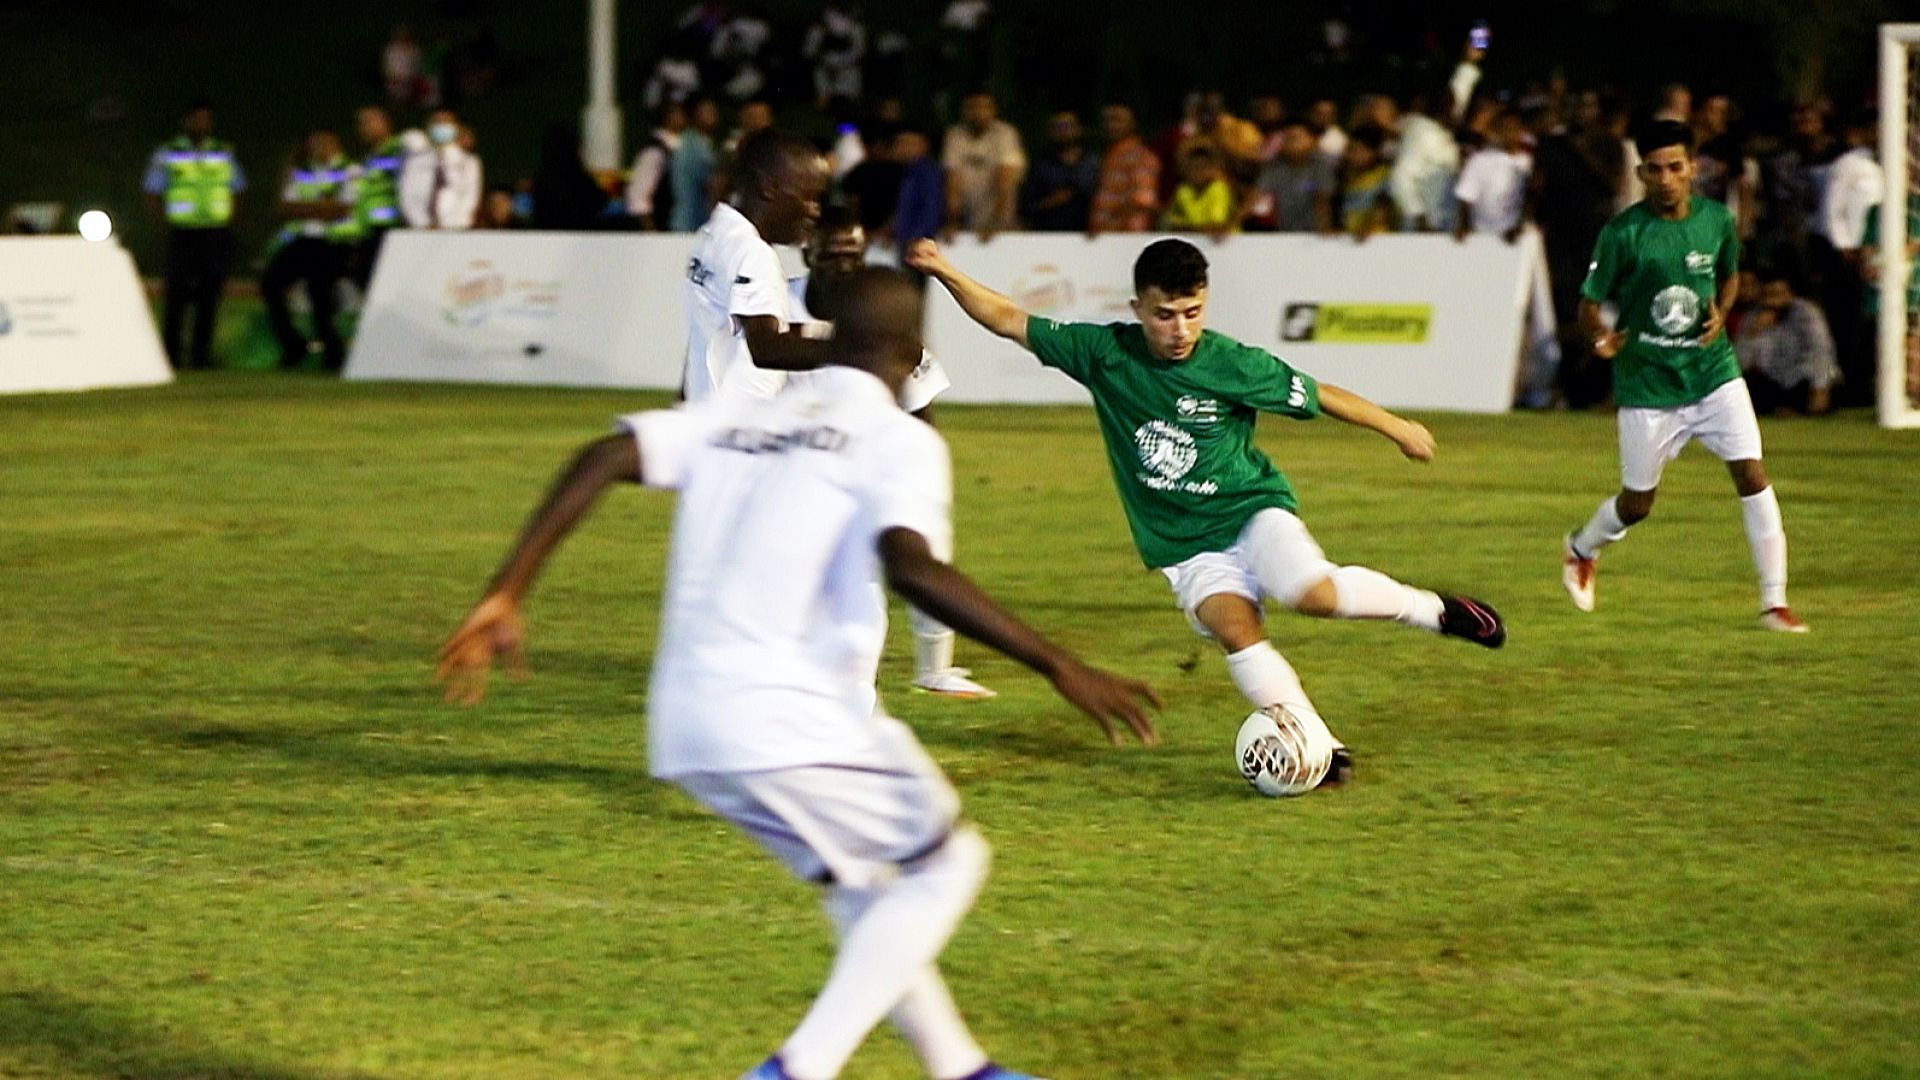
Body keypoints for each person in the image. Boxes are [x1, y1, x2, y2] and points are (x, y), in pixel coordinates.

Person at [437, 267, 1158, 1080]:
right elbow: (913, 569)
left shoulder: (741, 415)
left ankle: (959, 1066)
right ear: (913, 351)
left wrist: (507, 590)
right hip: (787, 716)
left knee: (866, 888)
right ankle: (799, 1068)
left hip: (686, 724)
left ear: (824, 337)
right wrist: (1061, 664)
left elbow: (605, 454)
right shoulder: (899, 439)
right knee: (949, 864)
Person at [908, 235, 1509, 786]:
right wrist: (943, 270)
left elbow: (1320, 394)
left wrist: (1397, 427)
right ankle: (1315, 745)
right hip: (1183, 545)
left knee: (1313, 596)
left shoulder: (1230, 363)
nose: (1179, 329)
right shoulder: (1103, 353)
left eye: (1192, 313)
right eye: (1164, 315)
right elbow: (1011, 319)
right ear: (1137, 307)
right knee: (1236, 630)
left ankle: (1433, 611)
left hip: (1252, 513)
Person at [1565, 120, 1807, 633]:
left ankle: (1774, 603)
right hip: (1649, 384)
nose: (1667, 178)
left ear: (1693, 169)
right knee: (1638, 504)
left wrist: (1722, 311)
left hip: (1713, 372)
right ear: (1641, 174)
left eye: (1676, 167)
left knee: (1753, 475)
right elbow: (1590, 303)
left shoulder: (1717, 221)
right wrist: (1600, 337)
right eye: (1655, 170)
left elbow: (1730, 275)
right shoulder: (1623, 233)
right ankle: (1582, 548)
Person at [788, 208, 996, 700]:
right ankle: (847, 692)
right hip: (801, 469)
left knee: (923, 557)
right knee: (845, 596)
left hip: (871, 461)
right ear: (807, 253)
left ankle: (934, 670)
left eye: (853, 254)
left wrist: (921, 471)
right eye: (831, 254)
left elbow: (920, 403)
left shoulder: (879, 313)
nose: (843, 264)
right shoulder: (776, 306)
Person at [681, 129, 833, 404]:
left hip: (708, 414)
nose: (815, 210)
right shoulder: (753, 253)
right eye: (809, 196)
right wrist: (855, 350)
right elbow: (767, 348)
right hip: (739, 427)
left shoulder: (714, 233)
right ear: (768, 187)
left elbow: (723, 329)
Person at [144, 98, 246, 370]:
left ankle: (201, 355)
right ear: (186, 121)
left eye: (206, 119)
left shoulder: (223, 152)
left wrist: (229, 224)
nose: (202, 124)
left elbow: (237, 189)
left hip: (214, 233)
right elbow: (153, 191)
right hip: (183, 232)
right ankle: (170, 355)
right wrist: (164, 224)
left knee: (209, 295)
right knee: (176, 294)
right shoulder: (168, 153)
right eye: (197, 119)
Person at [261, 130, 360, 371]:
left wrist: (309, 208)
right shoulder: (304, 171)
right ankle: (294, 345)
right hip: (305, 240)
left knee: (320, 296)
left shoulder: (351, 170)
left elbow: (344, 209)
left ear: (336, 145)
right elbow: (286, 208)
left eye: (324, 144)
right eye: (314, 145)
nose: (318, 149)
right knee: (270, 283)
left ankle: (333, 355)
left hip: (334, 243)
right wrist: (323, 208)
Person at [1735, 266, 1838, 415]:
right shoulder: (1753, 316)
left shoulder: (1807, 313)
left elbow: (1820, 350)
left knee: (1824, 382)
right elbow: (1740, 363)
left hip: (1804, 378)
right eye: (1769, 295)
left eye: (1779, 294)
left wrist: (1819, 387)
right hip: (1775, 382)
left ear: (1790, 294)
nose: (1774, 301)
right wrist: (1753, 334)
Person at [942, 91, 1026, 242]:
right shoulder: (955, 136)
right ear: (964, 111)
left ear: (994, 110)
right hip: (967, 219)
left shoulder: (1005, 134)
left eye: (984, 107)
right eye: (972, 107)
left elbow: (1005, 183)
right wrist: (953, 221)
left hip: (1001, 221)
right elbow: (953, 182)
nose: (978, 112)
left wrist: (994, 223)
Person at [1388, 87, 1459, 233]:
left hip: (1443, 222)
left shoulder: (1440, 132)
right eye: (1449, 105)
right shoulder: (1422, 132)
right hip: (1423, 227)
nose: (1453, 110)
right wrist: (1419, 218)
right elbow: (1400, 178)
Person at [351, 106, 406, 288]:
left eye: (369, 122)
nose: (363, 128)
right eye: (361, 124)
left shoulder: (399, 147)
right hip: (370, 229)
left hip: (392, 228)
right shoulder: (371, 158)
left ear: (385, 124)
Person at [1017, 111, 1099, 232]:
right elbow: (1026, 207)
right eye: (1058, 127)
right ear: (1050, 132)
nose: (1063, 131)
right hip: (1050, 237)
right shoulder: (1041, 165)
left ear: (1078, 129)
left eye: (1068, 126)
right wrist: (1052, 201)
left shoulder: (1093, 163)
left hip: (1088, 238)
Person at [400, 108, 481, 229]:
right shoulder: (413, 161)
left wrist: (452, 225)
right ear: (428, 127)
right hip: (419, 229)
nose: (442, 126)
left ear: (456, 128)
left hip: (456, 229)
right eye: (437, 122)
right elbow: (407, 196)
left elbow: (470, 197)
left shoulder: (469, 162)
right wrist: (423, 224)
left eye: (446, 123)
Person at [1249, 120, 1335, 233]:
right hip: (1285, 232)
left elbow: (1323, 201)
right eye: (1287, 139)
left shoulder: (1320, 166)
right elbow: (1255, 197)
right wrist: (1231, 223)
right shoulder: (1275, 167)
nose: (1290, 143)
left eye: (1296, 138)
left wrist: (1324, 228)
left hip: (1314, 233)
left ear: (1312, 140)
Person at [1088, 104, 1160, 236]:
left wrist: (1110, 226)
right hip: (1104, 239)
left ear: (1133, 124)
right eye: (1107, 120)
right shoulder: (1108, 157)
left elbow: (1142, 201)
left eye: (1117, 120)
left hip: (1127, 239)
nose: (1111, 125)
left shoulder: (1141, 157)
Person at [530, 122, 608, 230]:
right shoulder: (577, 178)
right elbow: (600, 201)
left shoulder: (543, 180)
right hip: (579, 240)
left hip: (547, 242)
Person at [625, 102, 686, 231]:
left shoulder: (684, 148)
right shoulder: (655, 150)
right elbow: (638, 198)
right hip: (664, 229)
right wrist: (652, 234)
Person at [669, 98, 722, 232]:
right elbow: (710, 182)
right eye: (707, 112)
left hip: (689, 220)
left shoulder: (699, 142)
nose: (712, 116)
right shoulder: (693, 145)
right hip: (690, 222)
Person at [1161, 146, 1236, 237]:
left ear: (1212, 169)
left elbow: (1216, 226)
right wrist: (1196, 229)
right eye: (1193, 167)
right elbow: (1169, 224)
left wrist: (1189, 228)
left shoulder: (1219, 188)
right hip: (1193, 243)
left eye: (1202, 167)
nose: (1197, 172)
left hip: (1230, 245)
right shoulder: (1183, 191)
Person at [1335, 125, 1395, 239]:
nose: (1354, 155)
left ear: (1374, 152)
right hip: (1349, 239)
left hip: (1375, 238)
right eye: (1351, 150)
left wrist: (1367, 227)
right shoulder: (1347, 176)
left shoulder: (1384, 175)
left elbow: (1383, 205)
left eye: (1360, 150)